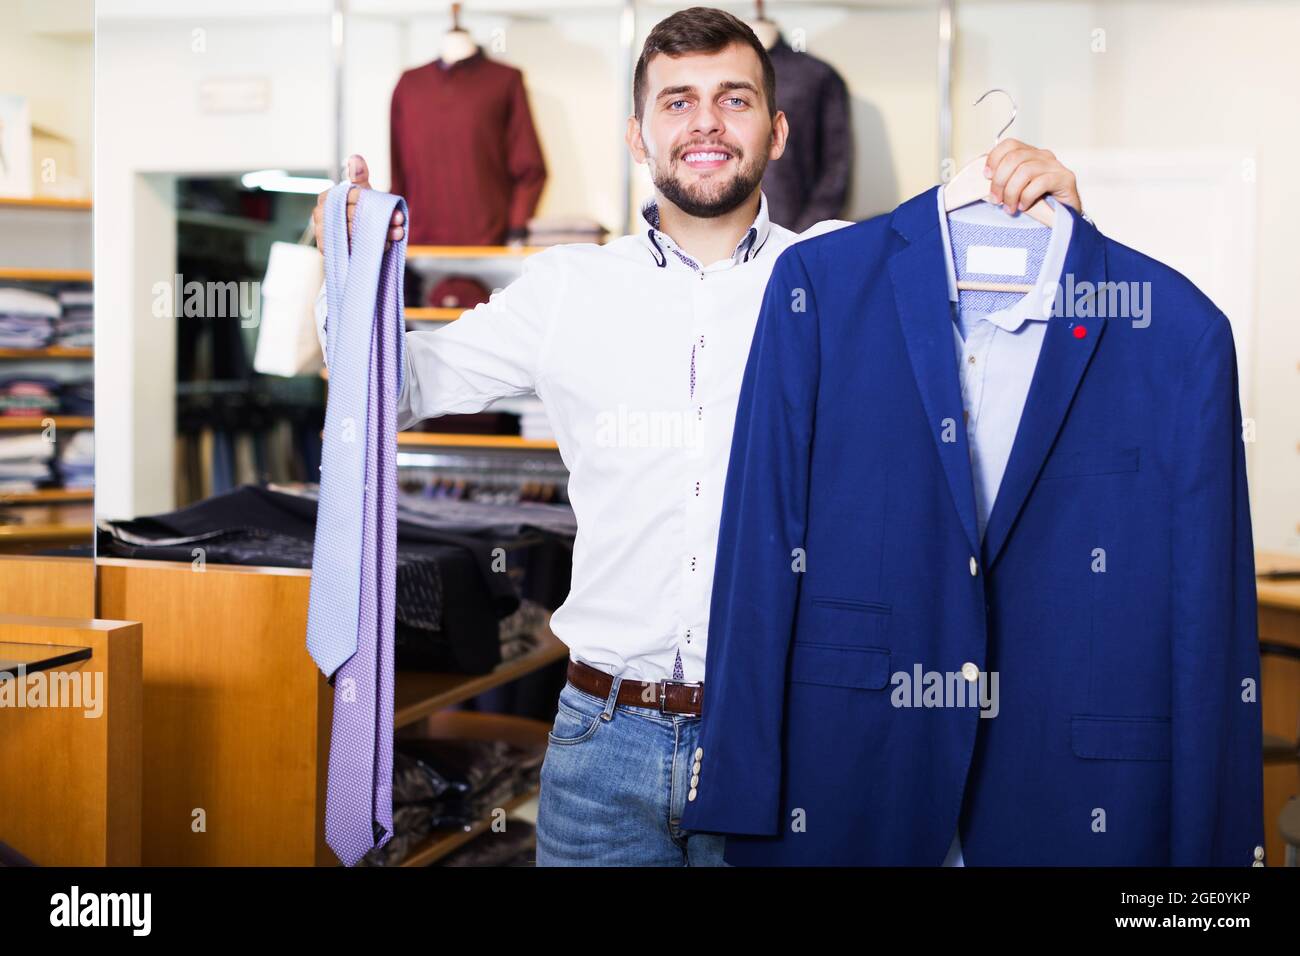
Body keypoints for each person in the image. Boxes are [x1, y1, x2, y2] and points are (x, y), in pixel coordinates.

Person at [312, 6, 1084, 866]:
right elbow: (386, 392)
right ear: (639, 136)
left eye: (734, 99)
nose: (706, 121)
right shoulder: (566, 288)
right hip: (599, 748)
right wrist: (345, 275)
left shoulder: (846, 274)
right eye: (677, 102)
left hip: (781, 738)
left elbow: (1007, 361)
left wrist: (1050, 227)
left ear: (779, 131)